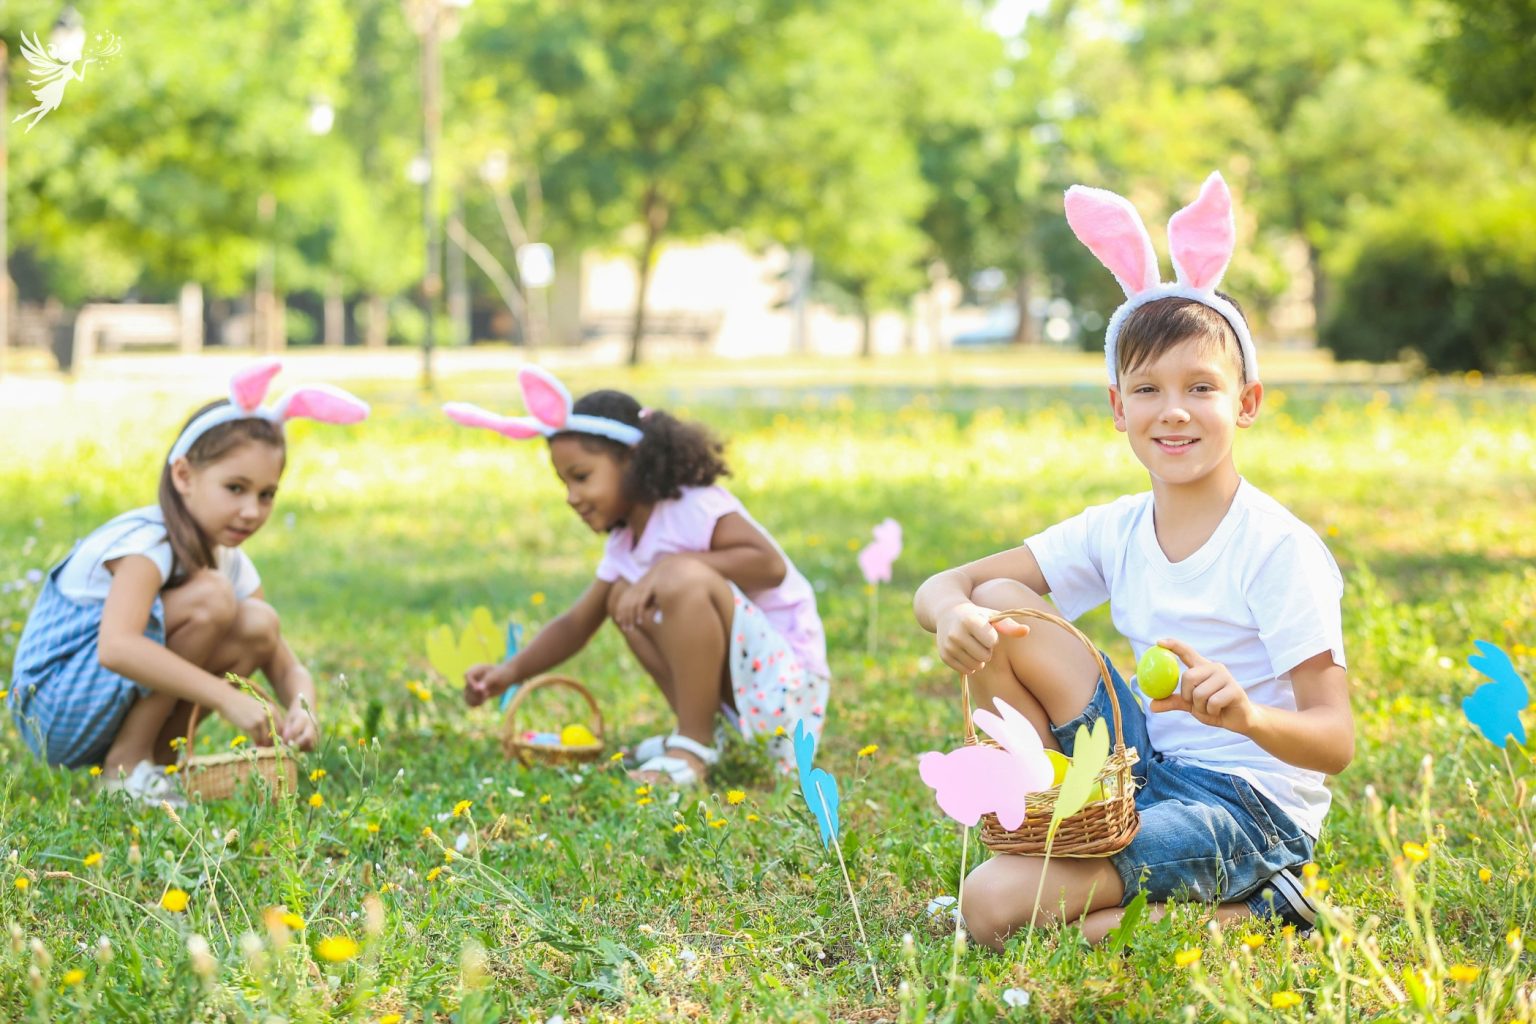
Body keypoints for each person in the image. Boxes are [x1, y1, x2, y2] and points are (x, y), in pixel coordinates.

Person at [913, 172, 1352, 949]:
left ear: (1246, 403)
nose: (1173, 409)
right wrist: (952, 614)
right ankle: (1052, 821)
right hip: (1141, 771)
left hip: (1244, 806)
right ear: (1119, 408)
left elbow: (1335, 740)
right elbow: (954, 584)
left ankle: (1261, 906)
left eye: (1201, 387)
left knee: (987, 910)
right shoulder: (1118, 528)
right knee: (1006, 601)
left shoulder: (1278, 549)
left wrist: (1245, 714)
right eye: (1146, 387)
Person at [7, 361, 368, 805]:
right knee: (213, 599)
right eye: (235, 488)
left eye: (266, 494)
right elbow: (116, 647)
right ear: (183, 476)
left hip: (99, 699)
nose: (252, 511)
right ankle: (124, 769)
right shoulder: (145, 543)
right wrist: (226, 698)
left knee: (256, 620)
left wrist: (301, 708)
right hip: (56, 707)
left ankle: (158, 771)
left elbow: (278, 655)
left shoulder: (227, 558)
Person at [446, 366, 829, 785]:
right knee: (620, 595)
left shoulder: (691, 505)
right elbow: (576, 624)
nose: (572, 497)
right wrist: (508, 673)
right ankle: (708, 735)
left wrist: (672, 568)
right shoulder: (627, 542)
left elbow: (770, 566)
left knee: (681, 578)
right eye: (564, 483)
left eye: (582, 477)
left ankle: (693, 747)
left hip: (789, 696)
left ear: (632, 460)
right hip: (746, 706)